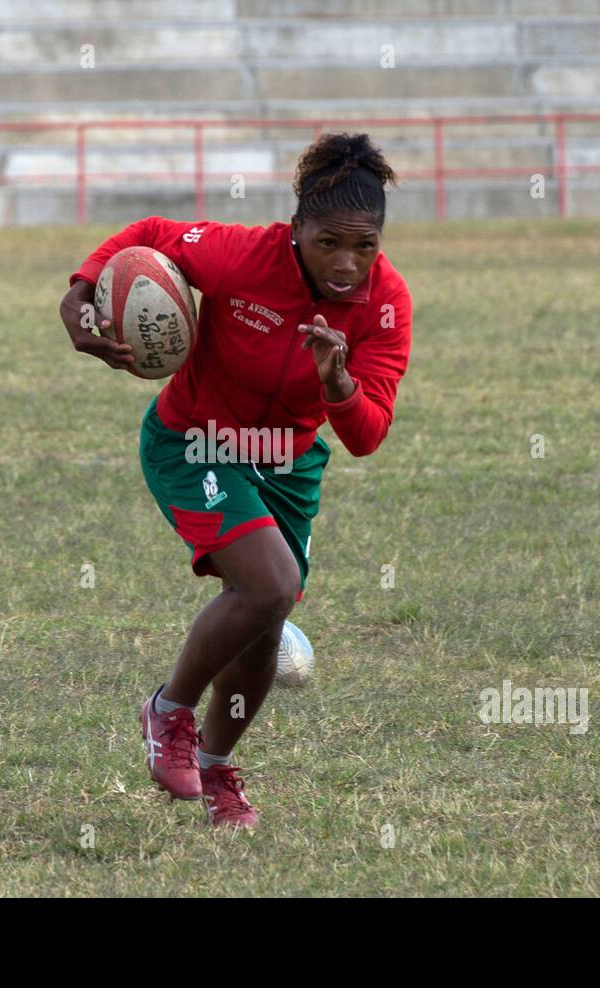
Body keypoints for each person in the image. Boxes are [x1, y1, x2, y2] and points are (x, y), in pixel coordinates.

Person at [59, 132, 412, 828]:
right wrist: (78, 294)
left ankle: (217, 769)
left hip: (287, 460)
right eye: (328, 243)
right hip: (194, 441)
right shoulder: (240, 256)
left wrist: (338, 383)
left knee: (265, 614)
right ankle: (167, 711)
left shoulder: (385, 305)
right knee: (270, 584)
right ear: (295, 230)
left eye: (364, 247)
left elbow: (367, 435)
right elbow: (152, 233)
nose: (347, 265)